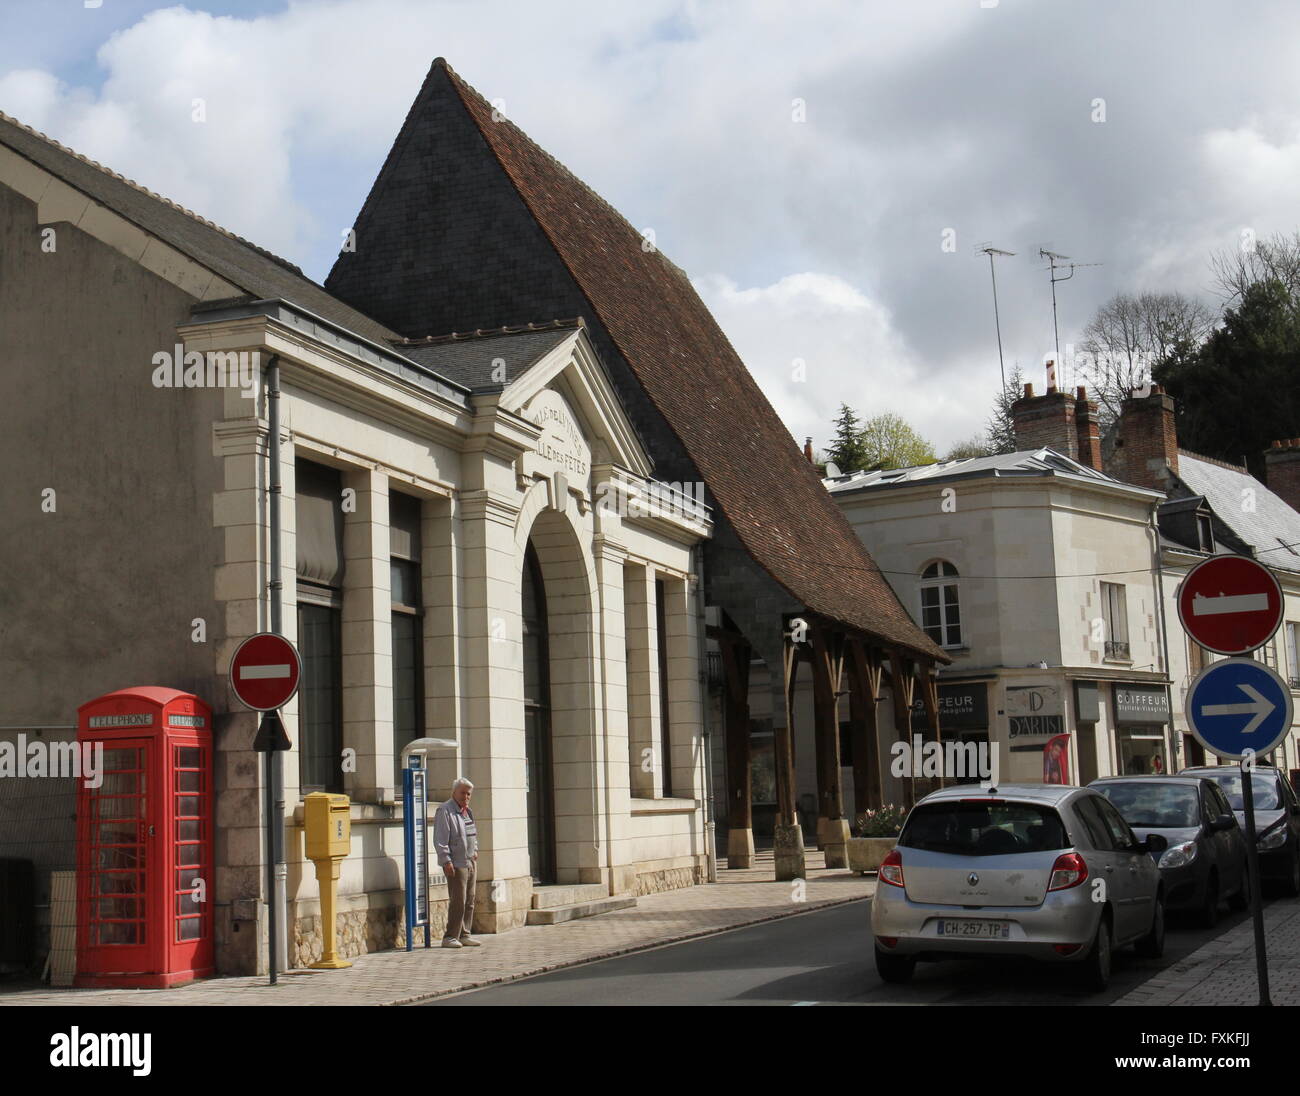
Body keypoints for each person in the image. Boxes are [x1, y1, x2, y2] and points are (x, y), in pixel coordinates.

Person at [433, 777, 480, 948]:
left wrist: (475, 851)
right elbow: (440, 838)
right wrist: (446, 860)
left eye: (468, 794)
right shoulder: (445, 810)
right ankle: (450, 936)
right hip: (456, 863)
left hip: (470, 861)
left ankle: (464, 933)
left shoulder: (468, 811)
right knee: (458, 900)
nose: (466, 797)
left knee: (470, 899)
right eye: (462, 793)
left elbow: (473, 834)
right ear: (454, 792)